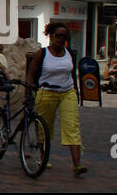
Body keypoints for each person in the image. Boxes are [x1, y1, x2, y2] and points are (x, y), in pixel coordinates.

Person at [28, 22, 87, 176]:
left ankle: (77, 165)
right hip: (46, 92)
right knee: (44, 128)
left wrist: (76, 91)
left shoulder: (69, 53)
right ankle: (44, 158)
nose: (61, 39)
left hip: (67, 93)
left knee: (72, 127)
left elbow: (72, 74)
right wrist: (31, 86)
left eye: (64, 36)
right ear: (51, 36)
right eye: (58, 36)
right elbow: (31, 73)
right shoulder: (42, 54)